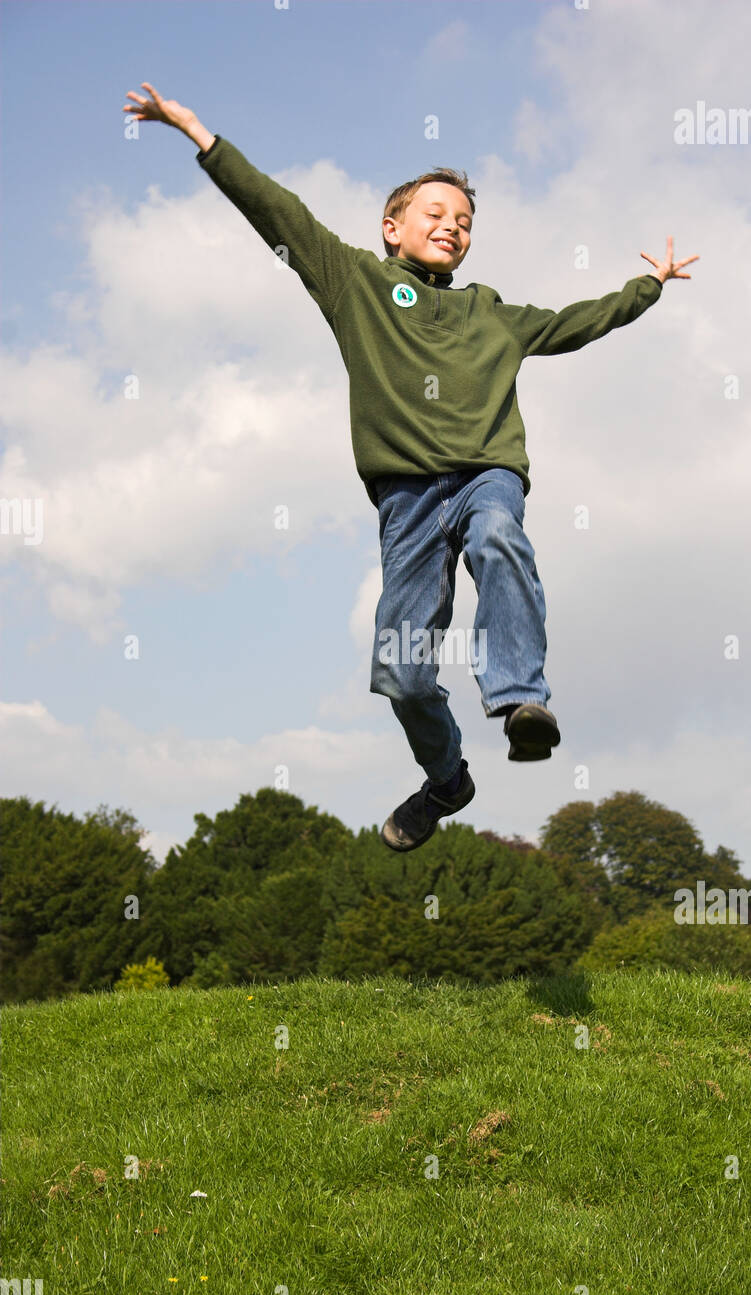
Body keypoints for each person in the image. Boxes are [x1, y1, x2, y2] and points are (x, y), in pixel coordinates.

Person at [123, 83, 698, 853]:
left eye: (464, 223)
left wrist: (647, 288)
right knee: (402, 672)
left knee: (499, 534)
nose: (452, 228)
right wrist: (198, 133)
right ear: (392, 228)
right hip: (407, 502)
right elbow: (279, 213)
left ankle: (521, 700)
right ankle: (447, 779)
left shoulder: (489, 312)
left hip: (487, 473)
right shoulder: (356, 282)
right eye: (436, 213)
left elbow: (574, 323)